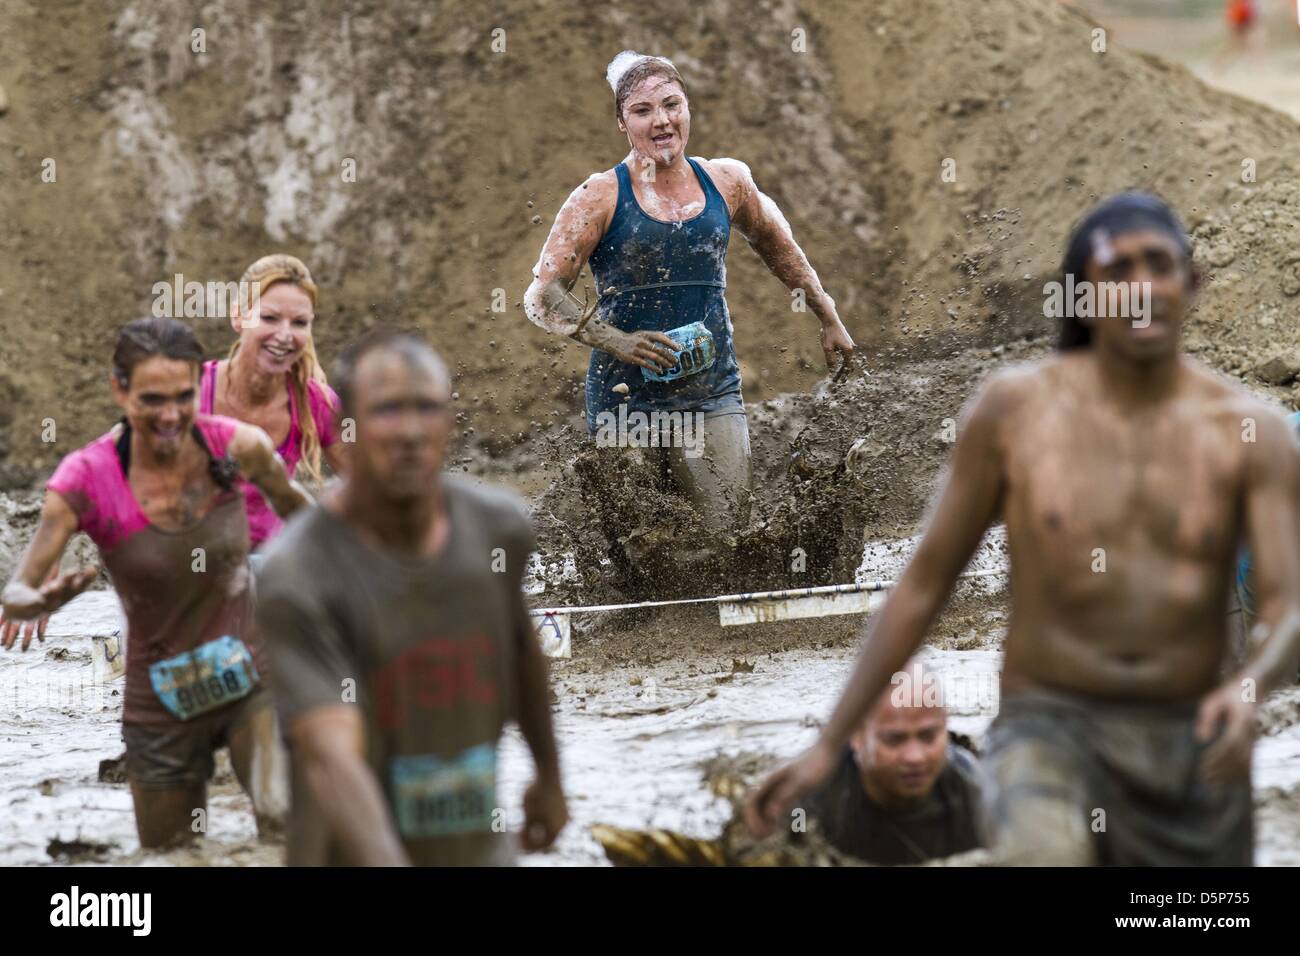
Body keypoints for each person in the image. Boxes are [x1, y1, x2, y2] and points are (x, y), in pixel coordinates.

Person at [745, 192, 1300, 866]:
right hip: (1050, 726)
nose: (1141, 288)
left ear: (1192, 281)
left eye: (1158, 265)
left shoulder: (1253, 433)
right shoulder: (1016, 414)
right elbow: (922, 586)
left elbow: (1285, 602)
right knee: (1046, 856)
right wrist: (831, 744)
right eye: (1116, 271)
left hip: (1192, 736)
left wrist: (1248, 691)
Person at [255, 329, 567, 865]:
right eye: (388, 411)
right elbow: (330, 754)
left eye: (427, 408)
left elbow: (519, 652)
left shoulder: (497, 528)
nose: (411, 432)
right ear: (344, 430)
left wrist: (550, 776)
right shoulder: (298, 574)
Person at [0, 317, 310, 848]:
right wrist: (40, 600)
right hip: (158, 699)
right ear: (119, 390)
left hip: (250, 678)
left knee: (283, 824)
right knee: (168, 854)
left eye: (184, 397)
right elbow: (16, 593)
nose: (170, 416)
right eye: (152, 400)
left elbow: (312, 524)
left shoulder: (239, 446)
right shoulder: (84, 477)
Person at [524, 51, 855, 539]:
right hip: (626, 399)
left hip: (711, 391)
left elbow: (776, 246)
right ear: (622, 122)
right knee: (640, 551)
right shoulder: (600, 195)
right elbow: (542, 295)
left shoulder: (727, 181)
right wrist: (617, 341)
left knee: (725, 540)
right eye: (643, 111)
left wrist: (827, 315)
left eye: (671, 105)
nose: (661, 121)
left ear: (688, 109)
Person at [201, 254, 346, 552]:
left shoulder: (318, 403)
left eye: (299, 323)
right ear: (238, 317)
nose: (284, 335)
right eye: (269, 318)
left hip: (271, 568)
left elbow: (371, 486)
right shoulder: (190, 391)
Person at [802, 660, 984, 865]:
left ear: (944, 726)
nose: (915, 757)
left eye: (928, 736)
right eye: (894, 739)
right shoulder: (812, 798)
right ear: (857, 737)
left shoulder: (974, 793)